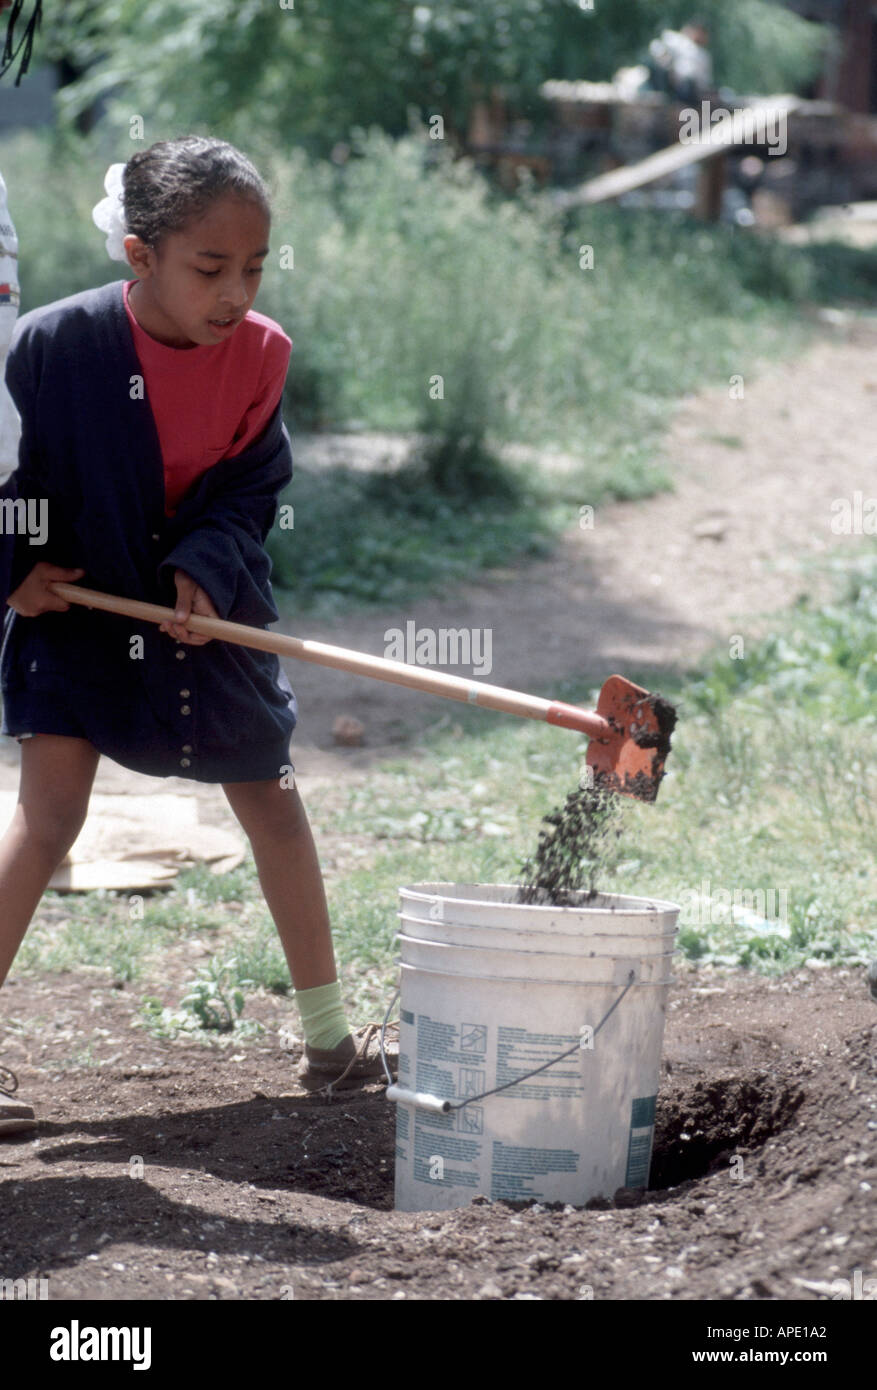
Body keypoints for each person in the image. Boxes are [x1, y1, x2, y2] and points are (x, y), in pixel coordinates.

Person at [0, 137, 394, 1139]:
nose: (236, 292)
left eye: (254, 267)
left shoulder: (262, 355)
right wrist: (19, 571)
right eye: (210, 269)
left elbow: (251, 485)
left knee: (275, 801)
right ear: (139, 258)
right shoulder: (53, 347)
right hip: (80, 609)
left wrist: (202, 572)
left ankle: (330, 1044)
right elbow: (14, 486)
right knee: (46, 821)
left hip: (208, 618)